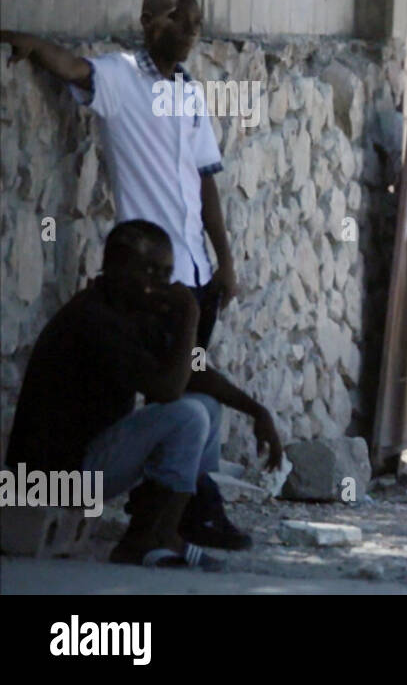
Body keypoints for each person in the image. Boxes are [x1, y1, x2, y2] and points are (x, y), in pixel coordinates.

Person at [1, 0, 247, 546]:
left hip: (196, 273)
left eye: (195, 23)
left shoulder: (188, 93)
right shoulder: (119, 78)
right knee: (177, 394)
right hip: (152, 279)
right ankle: (180, 519)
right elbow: (73, 68)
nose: (188, 31)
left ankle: (176, 506)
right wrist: (30, 41)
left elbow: (204, 183)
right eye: (177, 19)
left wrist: (224, 262)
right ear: (147, 21)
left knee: (196, 391)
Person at [5, 220, 282, 569]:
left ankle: (162, 530)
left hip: (86, 465)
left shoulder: (129, 311)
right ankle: (149, 539)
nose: (158, 284)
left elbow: (195, 374)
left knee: (207, 407)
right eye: (148, 270)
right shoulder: (94, 318)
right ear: (115, 267)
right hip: (50, 482)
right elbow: (167, 390)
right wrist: (189, 317)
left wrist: (258, 411)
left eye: (166, 273)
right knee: (187, 415)